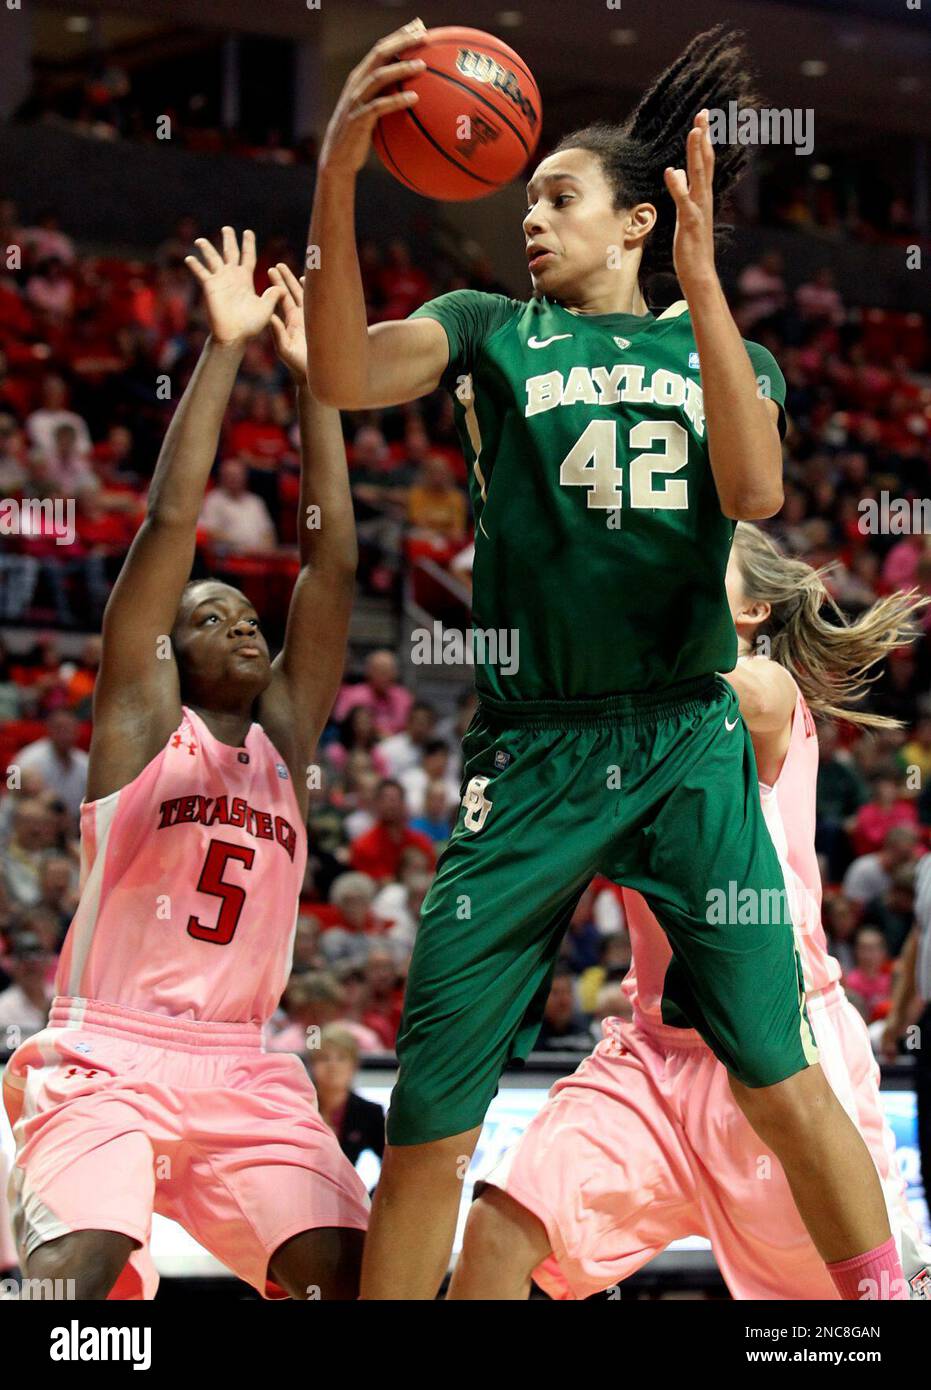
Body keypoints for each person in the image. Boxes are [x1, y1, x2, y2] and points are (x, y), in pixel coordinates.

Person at [305, 20, 910, 1299]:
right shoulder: (486, 327)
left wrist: (704, 289)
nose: (532, 218)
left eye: (559, 197)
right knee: (427, 1112)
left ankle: (878, 1308)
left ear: (636, 223)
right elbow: (346, 367)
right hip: (531, 750)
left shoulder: (724, 355)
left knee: (780, 1073)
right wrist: (341, 172)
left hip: (681, 734)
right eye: (524, 198)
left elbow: (751, 486)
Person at [1, 232, 369, 1301]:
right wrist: (223, 348)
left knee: (349, 1276)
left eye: (253, 617)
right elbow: (171, 520)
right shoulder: (138, 729)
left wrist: (316, 388)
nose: (245, 627)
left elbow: (332, 556)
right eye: (214, 617)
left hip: (246, 1065)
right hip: (108, 1055)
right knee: (78, 1275)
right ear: (171, 646)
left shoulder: (282, 745)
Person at [451, 523, 930, 1300]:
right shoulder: (626, 716)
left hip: (784, 1051)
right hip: (654, 1053)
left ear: (750, 613)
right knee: (500, 1231)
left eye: (692, 559)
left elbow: (684, 697)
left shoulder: (765, 693)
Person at [308, 1024, 386, 1166]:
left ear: (354, 1065)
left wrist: (373, 1189)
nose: (333, 1065)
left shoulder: (369, 1113)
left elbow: (391, 1165)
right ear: (312, 1065)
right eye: (324, 1058)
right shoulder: (297, 1107)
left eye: (341, 1058)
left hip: (345, 1188)